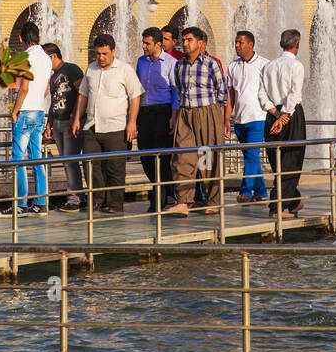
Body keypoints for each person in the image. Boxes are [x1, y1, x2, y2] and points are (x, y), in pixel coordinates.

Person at [71, 33, 143, 214]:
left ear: (113, 51)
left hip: (116, 127)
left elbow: (135, 95)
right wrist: (77, 119)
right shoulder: (91, 70)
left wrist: (132, 122)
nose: (101, 58)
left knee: (115, 167)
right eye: (98, 54)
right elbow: (83, 95)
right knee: (90, 165)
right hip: (92, 126)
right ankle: (96, 200)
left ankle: (115, 203)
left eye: (104, 54)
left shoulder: (124, 70)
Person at [165, 26, 227, 217]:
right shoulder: (179, 65)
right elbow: (179, 89)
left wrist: (216, 116)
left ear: (200, 43)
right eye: (183, 40)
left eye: (189, 40)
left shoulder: (211, 64)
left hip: (207, 113)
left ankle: (213, 200)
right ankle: (183, 201)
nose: (184, 44)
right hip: (185, 114)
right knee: (182, 157)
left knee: (207, 158)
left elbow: (222, 93)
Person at [0, 21, 52, 217]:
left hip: (26, 112)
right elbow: (45, 89)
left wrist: (16, 110)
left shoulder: (26, 57)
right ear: (38, 37)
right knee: (37, 158)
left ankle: (20, 204)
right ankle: (41, 202)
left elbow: (24, 87)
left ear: (21, 38)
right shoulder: (47, 58)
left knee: (18, 159)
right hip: (39, 112)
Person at [258, 29, 307, 218]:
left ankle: (293, 201)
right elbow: (294, 94)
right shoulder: (296, 66)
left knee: (277, 160)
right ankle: (277, 207)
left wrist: (276, 114)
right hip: (291, 115)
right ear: (297, 45)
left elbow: (261, 95)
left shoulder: (268, 66)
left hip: (272, 115)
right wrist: (284, 117)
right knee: (292, 160)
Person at [135, 27, 180, 211]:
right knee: (145, 156)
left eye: (147, 43)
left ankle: (158, 200)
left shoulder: (171, 63)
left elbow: (176, 92)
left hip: (164, 112)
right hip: (145, 113)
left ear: (158, 44)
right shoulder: (141, 62)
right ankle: (163, 192)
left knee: (161, 158)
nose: (143, 46)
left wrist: (174, 117)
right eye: (143, 42)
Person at [226, 30, 269, 203]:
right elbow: (231, 95)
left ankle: (246, 191)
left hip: (258, 118)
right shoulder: (232, 66)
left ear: (250, 45)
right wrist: (226, 119)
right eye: (236, 42)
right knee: (251, 157)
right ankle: (261, 192)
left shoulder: (264, 65)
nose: (237, 46)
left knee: (251, 155)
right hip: (240, 119)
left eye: (240, 43)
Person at [43, 44, 85, 211]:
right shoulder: (53, 76)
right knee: (65, 161)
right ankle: (76, 196)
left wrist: (75, 117)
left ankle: (75, 199)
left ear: (53, 56)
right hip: (58, 122)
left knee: (70, 161)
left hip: (70, 122)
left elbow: (82, 94)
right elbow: (54, 101)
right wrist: (49, 123)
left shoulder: (71, 69)